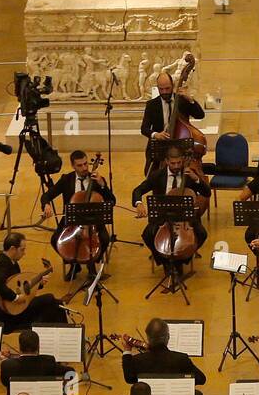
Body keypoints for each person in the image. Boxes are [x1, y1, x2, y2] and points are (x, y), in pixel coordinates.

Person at [131, 145, 211, 282]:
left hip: (185, 218)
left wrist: (197, 179)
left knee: (202, 234)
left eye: (179, 162)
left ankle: (182, 260)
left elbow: (206, 192)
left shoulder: (189, 175)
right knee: (148, 235)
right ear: (167, 161)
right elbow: (138, 190)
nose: (176, 166)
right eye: (173, 163)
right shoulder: (157, 175)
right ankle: (165, 261)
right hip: (163, 217)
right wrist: (139, 204)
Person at [121, 317, 208, 395]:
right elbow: (201, 379)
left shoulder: (137, 360)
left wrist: (127, 351)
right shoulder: (180, 359)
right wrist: (183, 381)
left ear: (147, 338)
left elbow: (129, 378)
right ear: (168, 338)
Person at [41, 150, 115, 277]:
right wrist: (46, 204)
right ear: (73, 166)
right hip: (71, 222)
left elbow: (111, 200)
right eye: (80, 165)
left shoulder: (97, 180)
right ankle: (74, 264)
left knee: (104, 239)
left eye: (86, 164)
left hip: (93, 221)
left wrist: (102, 185)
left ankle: (91, 263)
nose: (85, 168)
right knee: (55, 240)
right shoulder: (66, 179)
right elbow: (47, 195)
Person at [0, 232, 68, 330]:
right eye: (22, 250)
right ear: (12, 249)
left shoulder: (12, 262)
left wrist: (39, 284)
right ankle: (66, 333)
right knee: (50, 300)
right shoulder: (1, 264)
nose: (24, 253)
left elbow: (20, 288)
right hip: (7, 316)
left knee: (56, 305)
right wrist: (15, 298)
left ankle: (63, 333)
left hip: (16, 309)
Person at [140, 71, 205, 173]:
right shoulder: (152, 105)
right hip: (160, 147)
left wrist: (190, 99)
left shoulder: (182, 100)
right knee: (152, 176)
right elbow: (144, 128)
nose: (164, 92)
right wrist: (155, 134)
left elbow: (200, 115)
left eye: (167, 88)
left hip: (181, 148)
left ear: (173, 85)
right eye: (161, 89)